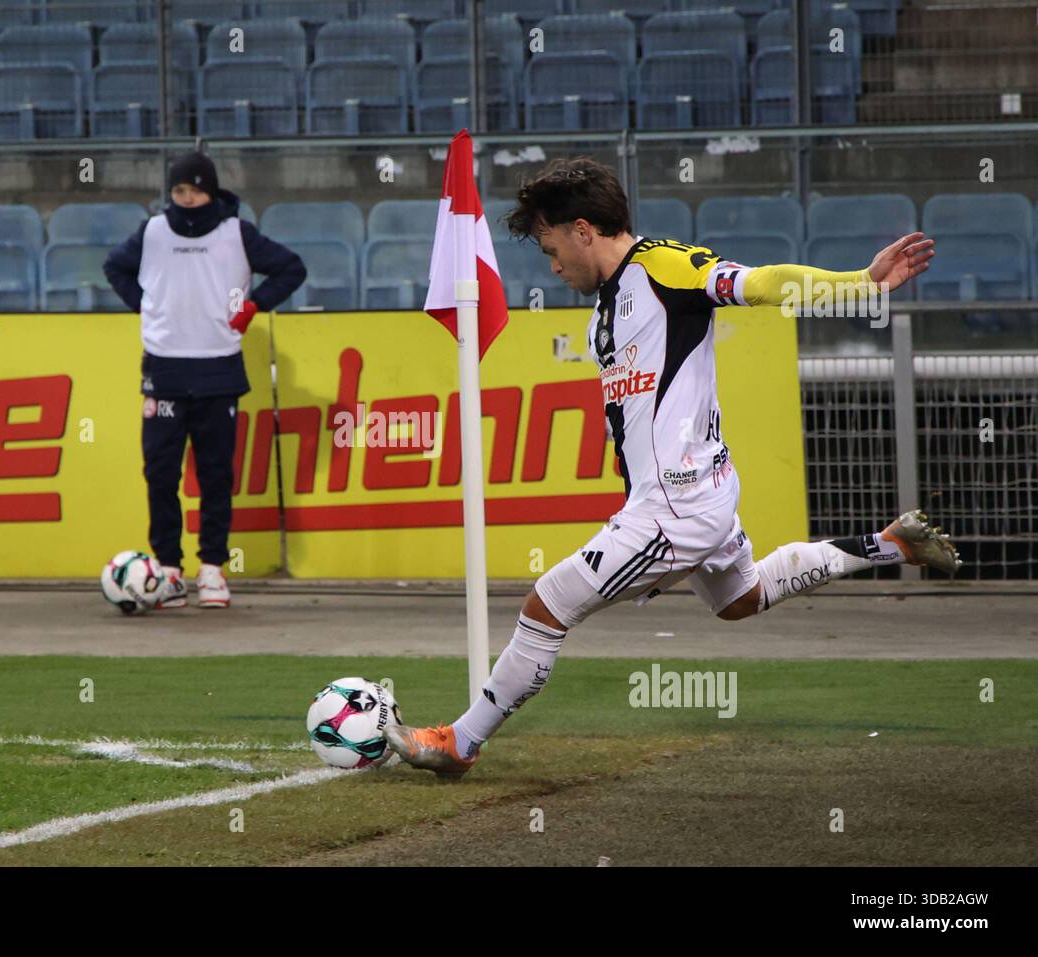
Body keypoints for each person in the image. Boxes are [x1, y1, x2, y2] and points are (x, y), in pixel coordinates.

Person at [386, 156, 960, 777]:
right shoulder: (606, 307)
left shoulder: (664, 267)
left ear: (584, 230)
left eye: (552, 247)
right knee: (739, 598)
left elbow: (762, 282)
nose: (552, 265)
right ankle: (888, 544)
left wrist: (859, 283)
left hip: (675, 509)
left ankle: (460, 743)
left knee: (546, 604)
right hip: (698, 493)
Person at [104, 151, 305, 609]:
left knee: (215, 475)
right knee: (160, 473)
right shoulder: (153, 231)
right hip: (164, 368)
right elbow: (114, 266)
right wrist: (144, 304)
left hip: (218, 368)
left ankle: (212, 568)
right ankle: (168, 570)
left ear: (211, 191)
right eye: (179, 190)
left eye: (195, 189)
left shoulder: (236, 231)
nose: (187, 198)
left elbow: (291, 268)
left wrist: (255, 305)